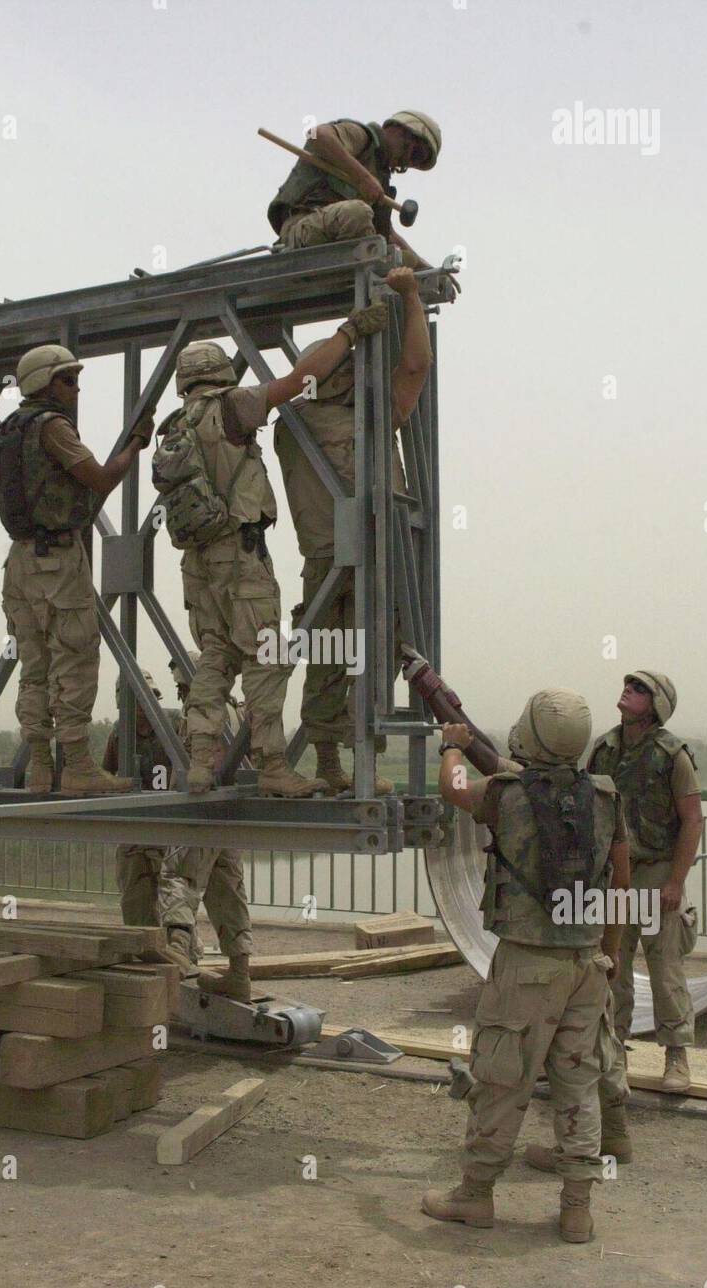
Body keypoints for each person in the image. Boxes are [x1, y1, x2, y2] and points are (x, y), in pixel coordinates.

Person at [421, 689, 630, 1244]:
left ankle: (475, 1196)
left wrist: (451, 746)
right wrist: (607, 953)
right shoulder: (606, 798)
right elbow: (622, 886)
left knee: (501, 1078)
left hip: (525, 963)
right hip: (587, 963)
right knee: (578, 1083)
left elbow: (454, 789)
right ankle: (576, 1209)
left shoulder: (507, 795)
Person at [153, 305, 388, 797]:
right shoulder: (232, 408)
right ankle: (274, 767)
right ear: (219, 374)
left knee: (215, 657)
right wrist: (349, 332)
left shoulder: (177, 423)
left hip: (198, 565)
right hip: (241, 560)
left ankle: (199, 763)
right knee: (265, 657)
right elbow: (297, 383)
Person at [273, 267, 431, 793]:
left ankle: (349, 761)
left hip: (372, 554)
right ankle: (334, 765)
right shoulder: (297, 420)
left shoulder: (368, 415)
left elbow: (414, 366)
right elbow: (309, 378)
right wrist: (358, 328)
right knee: (332, 654)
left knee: (369, 650)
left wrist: (409, 301)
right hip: (335, 554)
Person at [0, 344, 153, 795]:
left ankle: (42, 769)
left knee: (35, 665)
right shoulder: (53, 427)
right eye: (67, 380)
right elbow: (100, 479)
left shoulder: (9, 428)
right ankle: (78, 767)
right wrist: (136, 445)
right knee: (75, 658)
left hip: (20, 561)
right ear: (43, 384)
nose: (76, 388)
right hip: (58, 561)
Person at [588, 672, 703, 1092]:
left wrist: (675, 880)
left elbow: (692, 820)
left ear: (656, 706)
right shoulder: (604, 748)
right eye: (628, 685)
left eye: (639, 689)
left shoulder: (672, 754)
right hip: (614, 875)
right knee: (611, 964)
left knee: (664, 966)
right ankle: (612, 1048)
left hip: (656, 873)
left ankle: (676, 1055)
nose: (628, 691)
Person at [156, 654, 254, 1000]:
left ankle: (178, 952)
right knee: (227, 890)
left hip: (201, 811)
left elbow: (199, 765)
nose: (181, 693)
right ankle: (239, 975)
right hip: (230, 816)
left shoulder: (202, 711)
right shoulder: (235, 710)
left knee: (178, 876)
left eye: (183, 686)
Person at [267, 112, 441, 269]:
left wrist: (429, 270)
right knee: (358, 212)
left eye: (417, 162)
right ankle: (371, 270)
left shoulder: (381, 180)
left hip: (333, 243)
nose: (409, 162)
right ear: (399, 130)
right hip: (301, 229)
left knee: (398, 262)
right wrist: (362, 178)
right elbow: (317, 135)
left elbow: (388, 235)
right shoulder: (361, 138)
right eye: (416, 154)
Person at [103, 670, 182, 926]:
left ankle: (181, 948)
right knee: (134, 896)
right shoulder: (119, 733)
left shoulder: (177, 723)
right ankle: (143, 949)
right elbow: (106, 776)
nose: (139, 710)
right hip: (135, 825)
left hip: (172, 823)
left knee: (176, 898)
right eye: (132, 703)